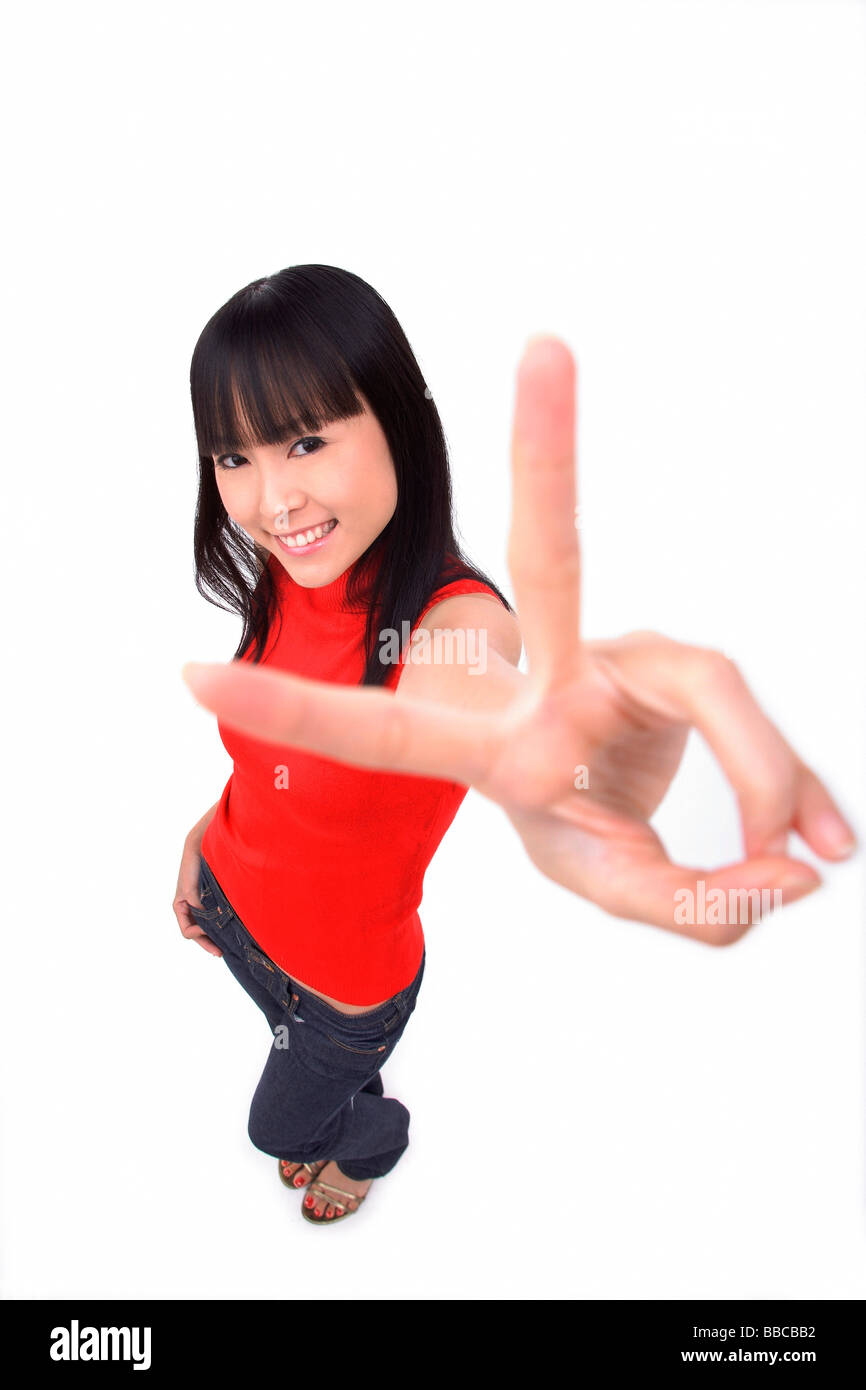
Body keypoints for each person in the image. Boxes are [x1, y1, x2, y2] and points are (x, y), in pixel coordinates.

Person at [175, 264, 856, 1226]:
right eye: (233, 457)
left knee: (279, 1132)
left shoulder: (448, 625)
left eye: (307, 440)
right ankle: (345, 1105)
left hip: (344, 999)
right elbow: (269, 760)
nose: (271, 500)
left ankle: (368, 1139)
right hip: (237, 919)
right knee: (301, 1075)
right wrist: (204, 841)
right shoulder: (291, 571)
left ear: (400, 420)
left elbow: (483, 694)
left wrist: (560, 751)